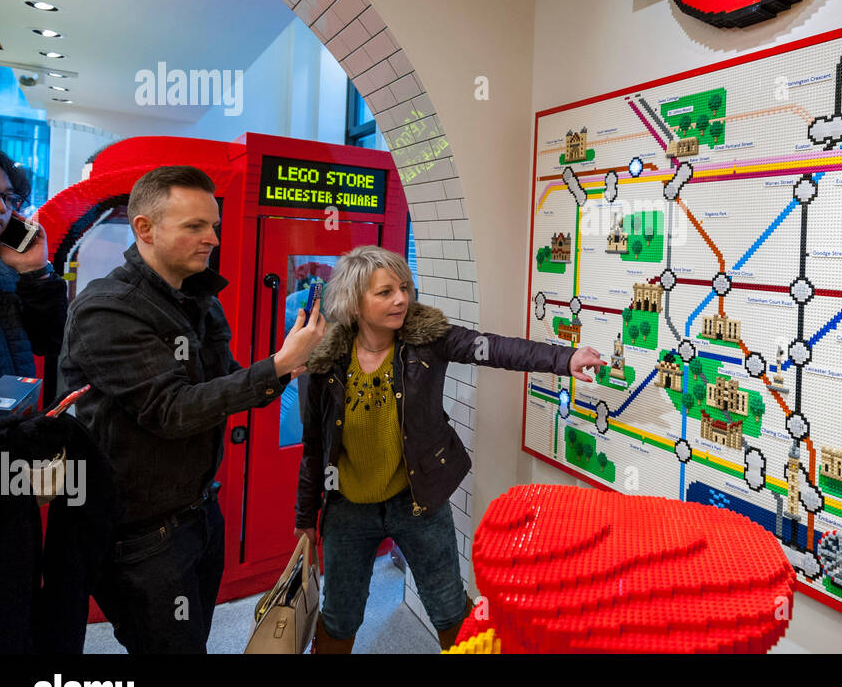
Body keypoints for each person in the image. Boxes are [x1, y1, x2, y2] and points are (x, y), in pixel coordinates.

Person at [59, 165, 325, 653]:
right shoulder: (107, 308)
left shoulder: (197, 296)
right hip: (140, 536)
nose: (211, 239)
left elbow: (226, 380)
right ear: (145, 228)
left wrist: (293, 365)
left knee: (191, 641)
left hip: (199, 513)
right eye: (195, 226)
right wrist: (280, 363)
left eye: (214, 225)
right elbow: (172, 411)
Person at [294, 245, 605, 652]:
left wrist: (564, 359)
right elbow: (314, 446)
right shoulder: (326, 361)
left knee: (448, 609)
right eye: (385, 292)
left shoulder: (428, 340)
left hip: (418, 503)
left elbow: (494, 348)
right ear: (353, 301)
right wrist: (305, 516)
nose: (402, 298)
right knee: (339, 616)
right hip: (348, 510)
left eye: (404, 287)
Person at [0, 148, 66, 382]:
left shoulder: (3, 272)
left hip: (17, 413)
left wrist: (35, 270)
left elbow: (49, 342)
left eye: (9, 199)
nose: (1, 208)